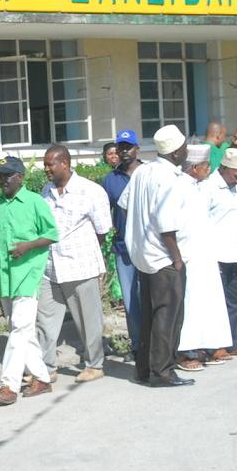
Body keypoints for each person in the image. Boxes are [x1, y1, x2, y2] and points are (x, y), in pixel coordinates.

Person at [0, 156, 59, 405]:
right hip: (5, 276)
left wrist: (28, 246)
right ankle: (42, 378)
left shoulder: (35, 202)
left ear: (20, 177)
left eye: (7, 175)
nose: (2, 180)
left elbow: (52, 234)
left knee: (18, 326)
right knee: (23, 330)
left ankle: (9, 385)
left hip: (28, 273)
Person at [117, 125, 193, 387]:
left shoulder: (143, 171)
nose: (186, 150)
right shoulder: (168, 178)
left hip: (143, 256)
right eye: (184, 146)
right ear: (174, 152)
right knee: (168, 316)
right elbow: (166, 225)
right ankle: (163, 372)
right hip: (164, 258)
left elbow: (125, 206)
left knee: (149, 315)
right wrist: (177, 258)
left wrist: (140, 234)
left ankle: (145, 369)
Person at [36, 144, 112, 384]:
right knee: (45, 320)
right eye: (45, 164)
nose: (46, 169)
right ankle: (45, 368)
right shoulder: (45, 191)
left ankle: (94, 364)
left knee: (88, 319)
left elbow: (102, 230)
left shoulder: (91, 191)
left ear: (65, 163)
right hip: (50, 267)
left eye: (50, 164)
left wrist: (84, 252)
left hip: (80, 266)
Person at [175, 145, 233, 371]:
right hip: (187, 256)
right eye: (206, 165)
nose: (210, 169)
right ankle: (185, 352)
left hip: (205, 256)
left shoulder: (203, 187)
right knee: (189, 306)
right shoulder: (180, 187)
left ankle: (205, 347)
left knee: (206, 304)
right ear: (194, 167)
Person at [208, 148, 237, 357]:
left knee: (234, 302)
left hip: (235, 253)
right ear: (225, 168)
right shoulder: (208, 188)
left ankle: (231, 342)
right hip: (216, 255)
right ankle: (214, 346)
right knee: (215, 304)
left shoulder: (235, 188)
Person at [101, 130, 144, 360]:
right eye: (121, 147)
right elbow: (102, 213)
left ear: (138, 148)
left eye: (128, 146)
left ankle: (155, 344)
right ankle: (137, 346)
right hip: (123, 248)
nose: (124, 151)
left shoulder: (148, 173)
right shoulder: (110, 180)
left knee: (150, 297)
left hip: (150, 248)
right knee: (130, 301)